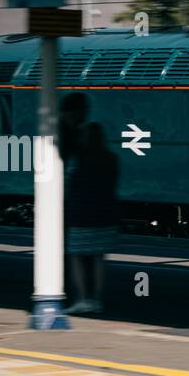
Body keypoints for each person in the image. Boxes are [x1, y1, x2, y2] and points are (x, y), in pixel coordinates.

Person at [62, 101, 120, 315]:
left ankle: (81, 299)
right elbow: (113, 184)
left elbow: (70, 185)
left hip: (82, 213)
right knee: (98, 259)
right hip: (105, 214)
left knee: (77, 257)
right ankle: (96, 299)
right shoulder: (111, 159)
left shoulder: (78, 160)